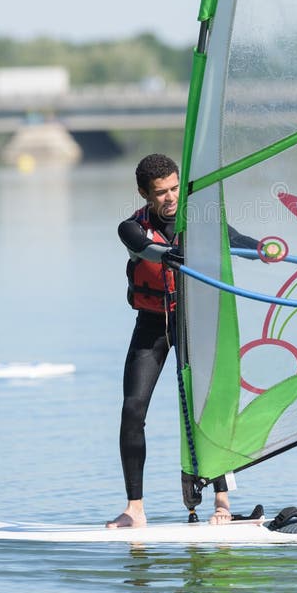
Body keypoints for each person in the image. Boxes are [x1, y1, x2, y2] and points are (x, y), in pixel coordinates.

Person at [106, 153, 261, 529]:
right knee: (132, 410)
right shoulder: (131, 228)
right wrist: (178, 253)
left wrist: (264, 249)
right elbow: (147, 249)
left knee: (210, 407)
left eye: (175, 188)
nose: (170, 197)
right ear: (144, 193)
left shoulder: (201, 220)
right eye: (160, 192)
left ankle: (222, 502)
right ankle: (135, 510)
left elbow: (235, 239)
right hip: (153, 323)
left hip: (196, 323)